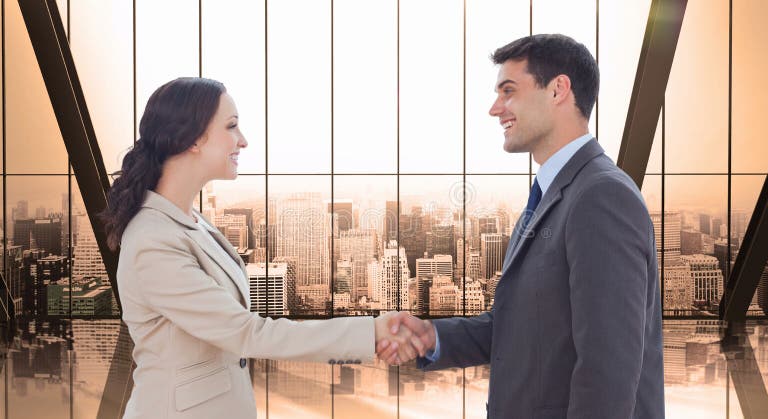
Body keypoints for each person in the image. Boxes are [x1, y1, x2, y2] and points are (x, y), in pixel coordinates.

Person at [379, 34, 665, 418]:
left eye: (509, 91)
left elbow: (608, 369)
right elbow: (520, 327)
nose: (495, 108)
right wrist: (434, 337)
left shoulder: (600, 197)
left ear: (558, 90)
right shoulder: (555, 193)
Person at [100, 77, 419, 419]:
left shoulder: (191, 221)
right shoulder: (153, 240)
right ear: (192, 138)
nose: (244, 141)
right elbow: (247, 333)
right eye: (232, 126)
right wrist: (369, 332)